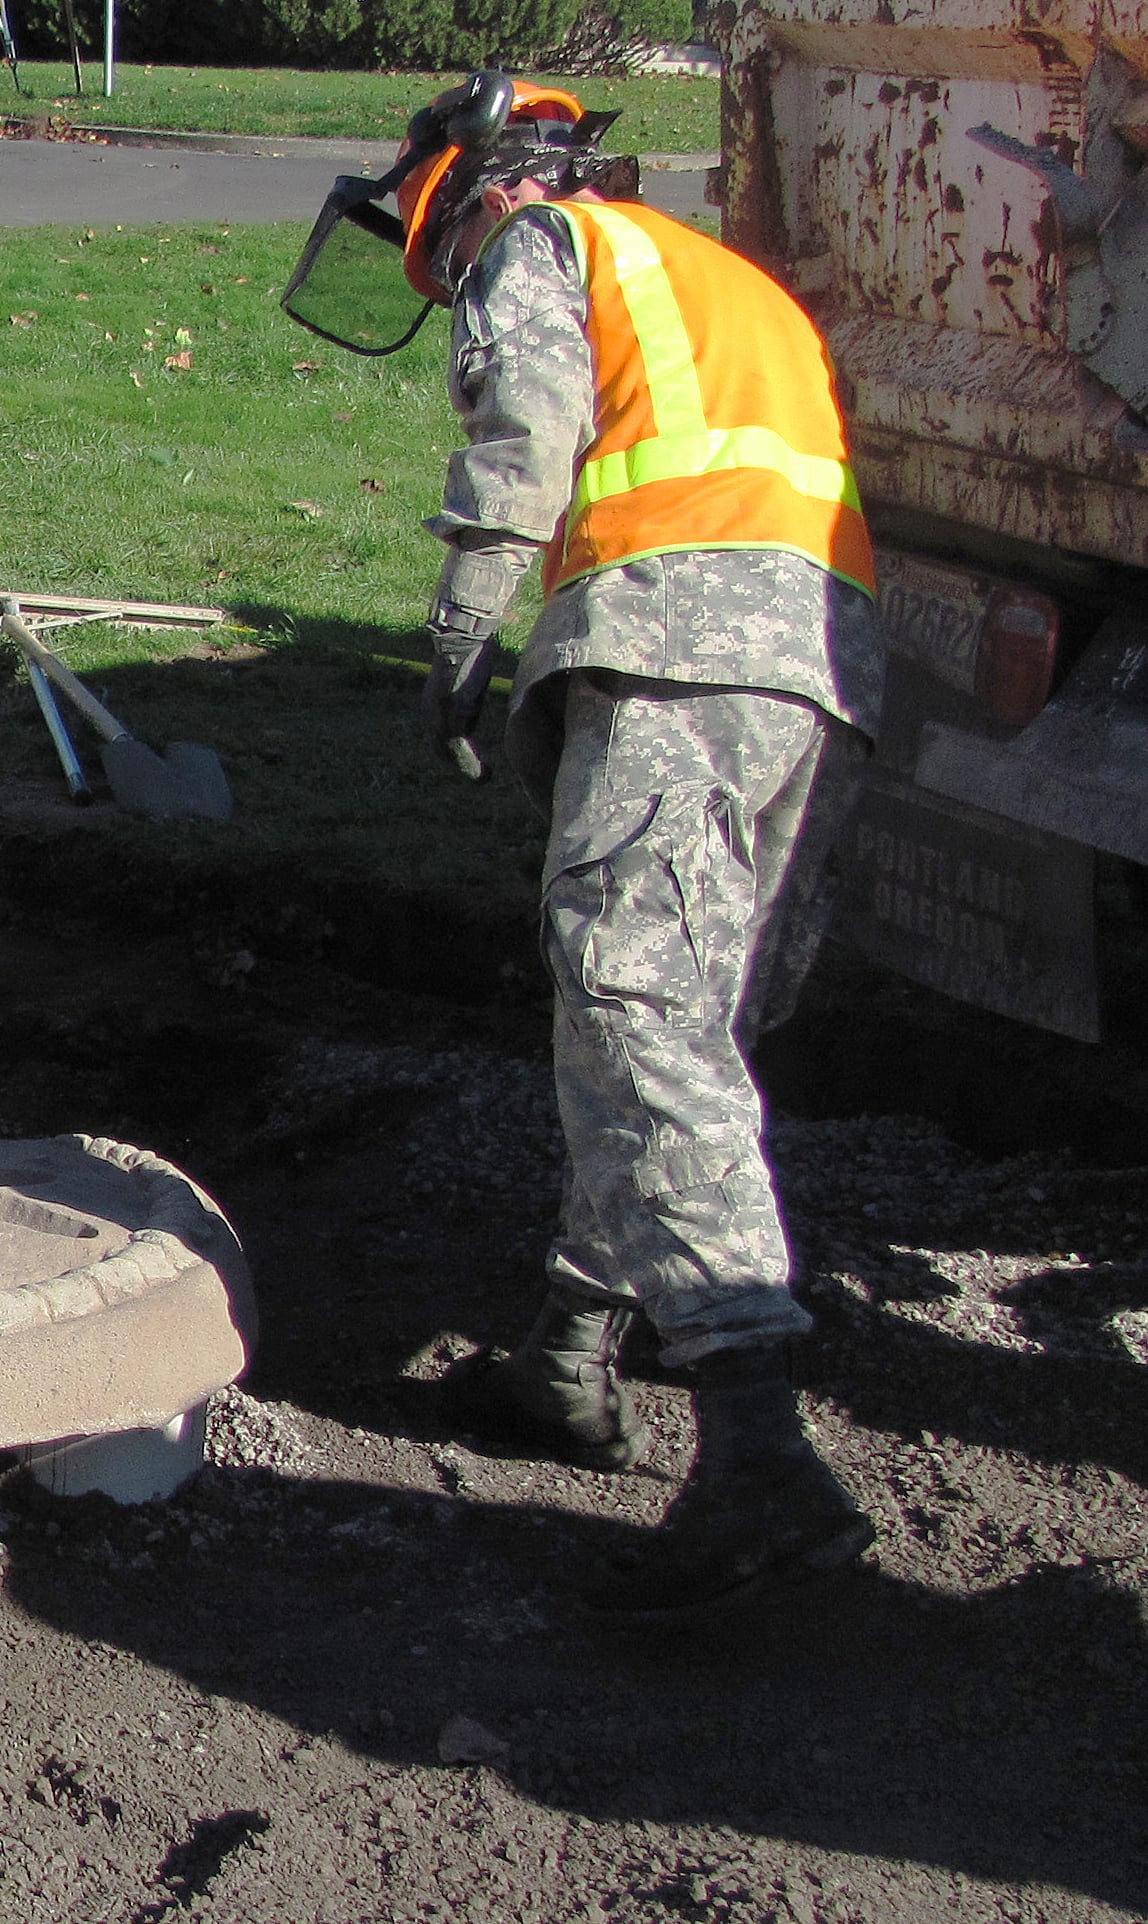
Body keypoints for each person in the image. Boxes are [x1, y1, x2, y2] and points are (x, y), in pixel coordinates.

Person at [289, 73, 884, 1616]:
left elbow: (531, 420)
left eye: (438, 250)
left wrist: (468, 620)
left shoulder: (541, 243)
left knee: (634, 1011)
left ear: (468, 191)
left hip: (679, 641)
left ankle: (759, 1451)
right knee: (684, 1027)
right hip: (820, 668)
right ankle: (568, 1355)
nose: (448, 283)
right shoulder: (707, 274)